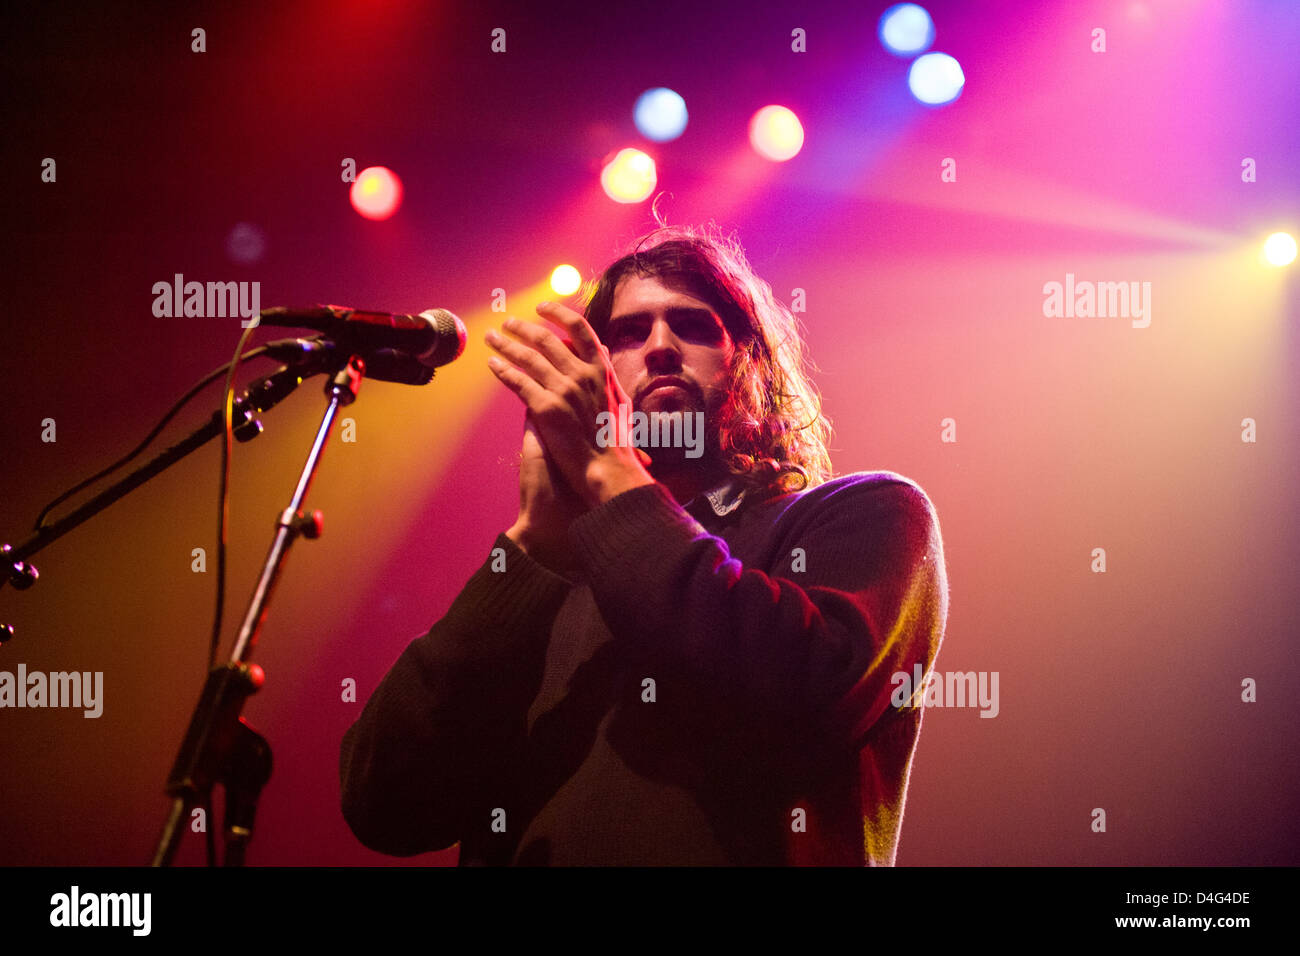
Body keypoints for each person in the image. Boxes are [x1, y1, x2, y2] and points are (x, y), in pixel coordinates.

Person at [339, 223, 949, 865]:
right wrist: (531, 549)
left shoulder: (866, 514)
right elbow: (383, 804)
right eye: (628, 334)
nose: (659, 347)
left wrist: (610, 471)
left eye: (691, 325)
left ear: (752, 360)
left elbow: (797, 690)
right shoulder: (553, 579)